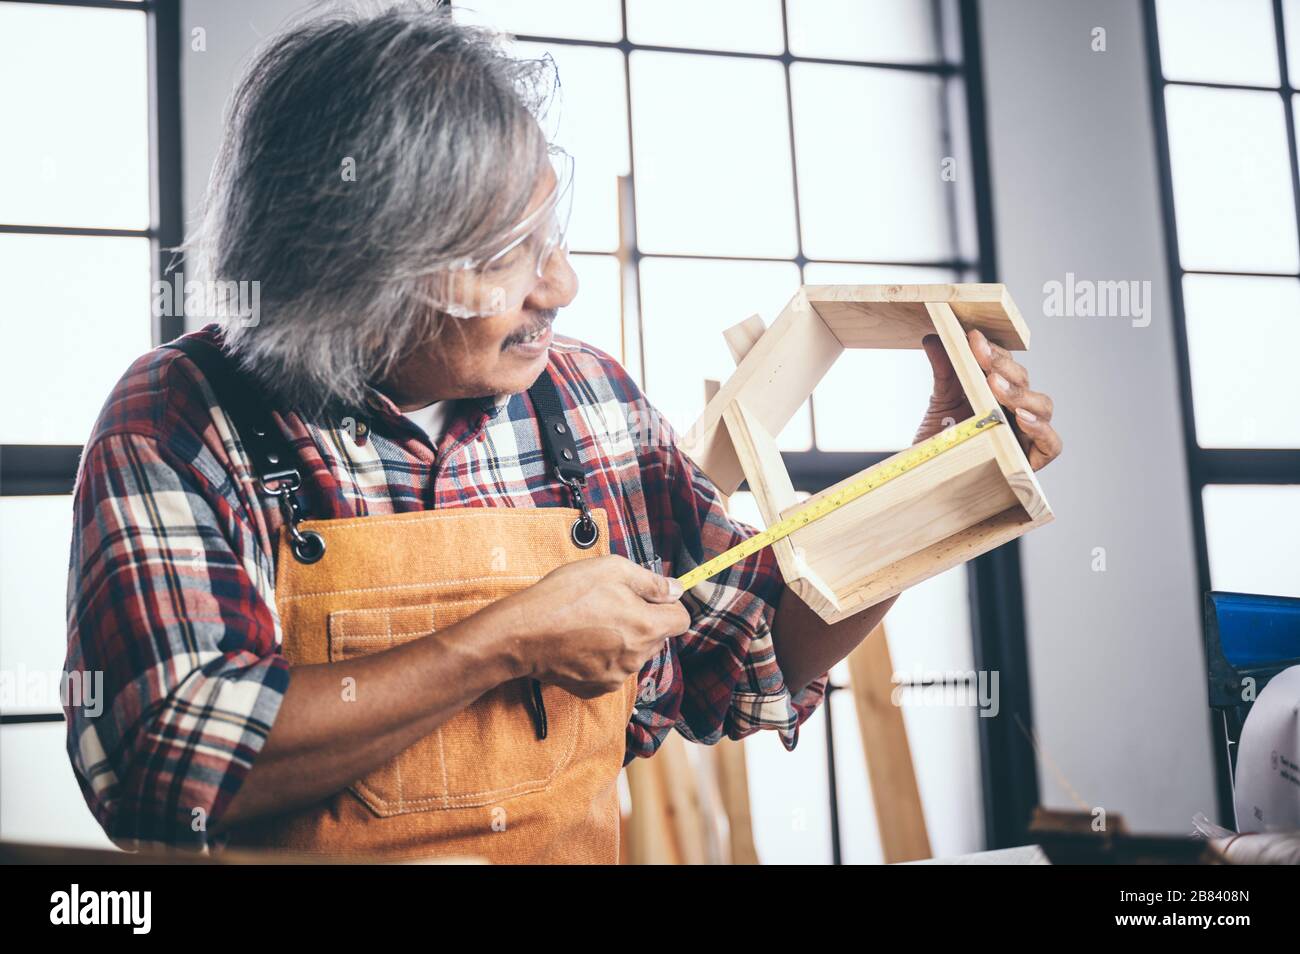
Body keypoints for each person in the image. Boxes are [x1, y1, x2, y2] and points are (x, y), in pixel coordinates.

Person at [63, 4, 1061, 863]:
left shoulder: (583, 398)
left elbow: (747, 654)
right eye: (505, 257)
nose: (562, 286)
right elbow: (171, 765)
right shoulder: (183, 421)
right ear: (358, 273)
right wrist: (505, 641)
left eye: (551, 230)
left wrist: (936, 476)